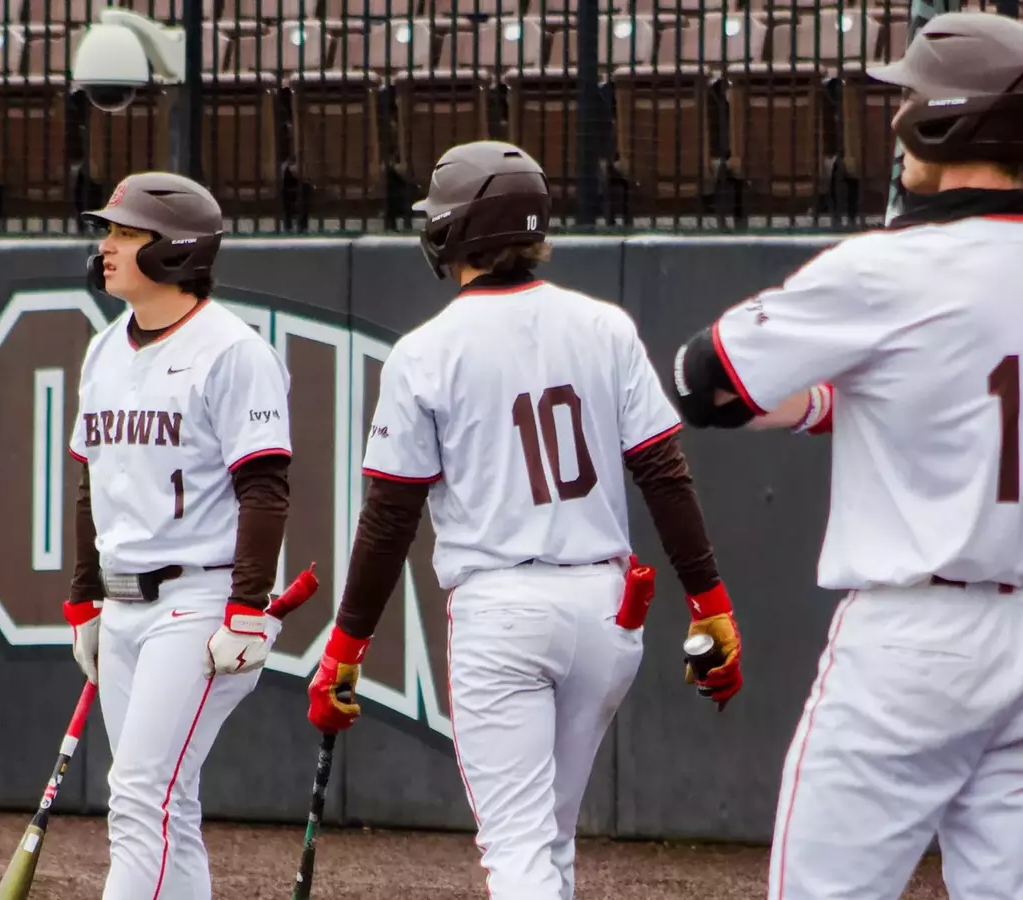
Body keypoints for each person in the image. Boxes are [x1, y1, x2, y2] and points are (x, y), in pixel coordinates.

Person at [669, 13, 1023, 900]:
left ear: (946, 118)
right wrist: (847, 398)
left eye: (912, 94)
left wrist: (844, 373)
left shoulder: (890, 269)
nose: (896, 114)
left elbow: (701, 380)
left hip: (915, 642)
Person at [303, 140, 744, 899]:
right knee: (548, 844)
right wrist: (712, 603)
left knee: (517, 851)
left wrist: (344, 647)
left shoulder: (425, 351)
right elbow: (663, 473)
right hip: (606, 613)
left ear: (455, 232)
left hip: (501, 611)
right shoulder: (604, 325)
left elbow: (389, 520)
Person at [63, 171, 309, 900]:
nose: (106, 246)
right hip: (124, 604)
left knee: (140, 797)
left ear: (174, 251)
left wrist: (245, 605)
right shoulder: (104, 349)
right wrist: (84, 600)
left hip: (199, 605)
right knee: (170, 803)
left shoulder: (232, 351)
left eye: (125, 233)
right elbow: (90, 480)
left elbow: (264, 486)